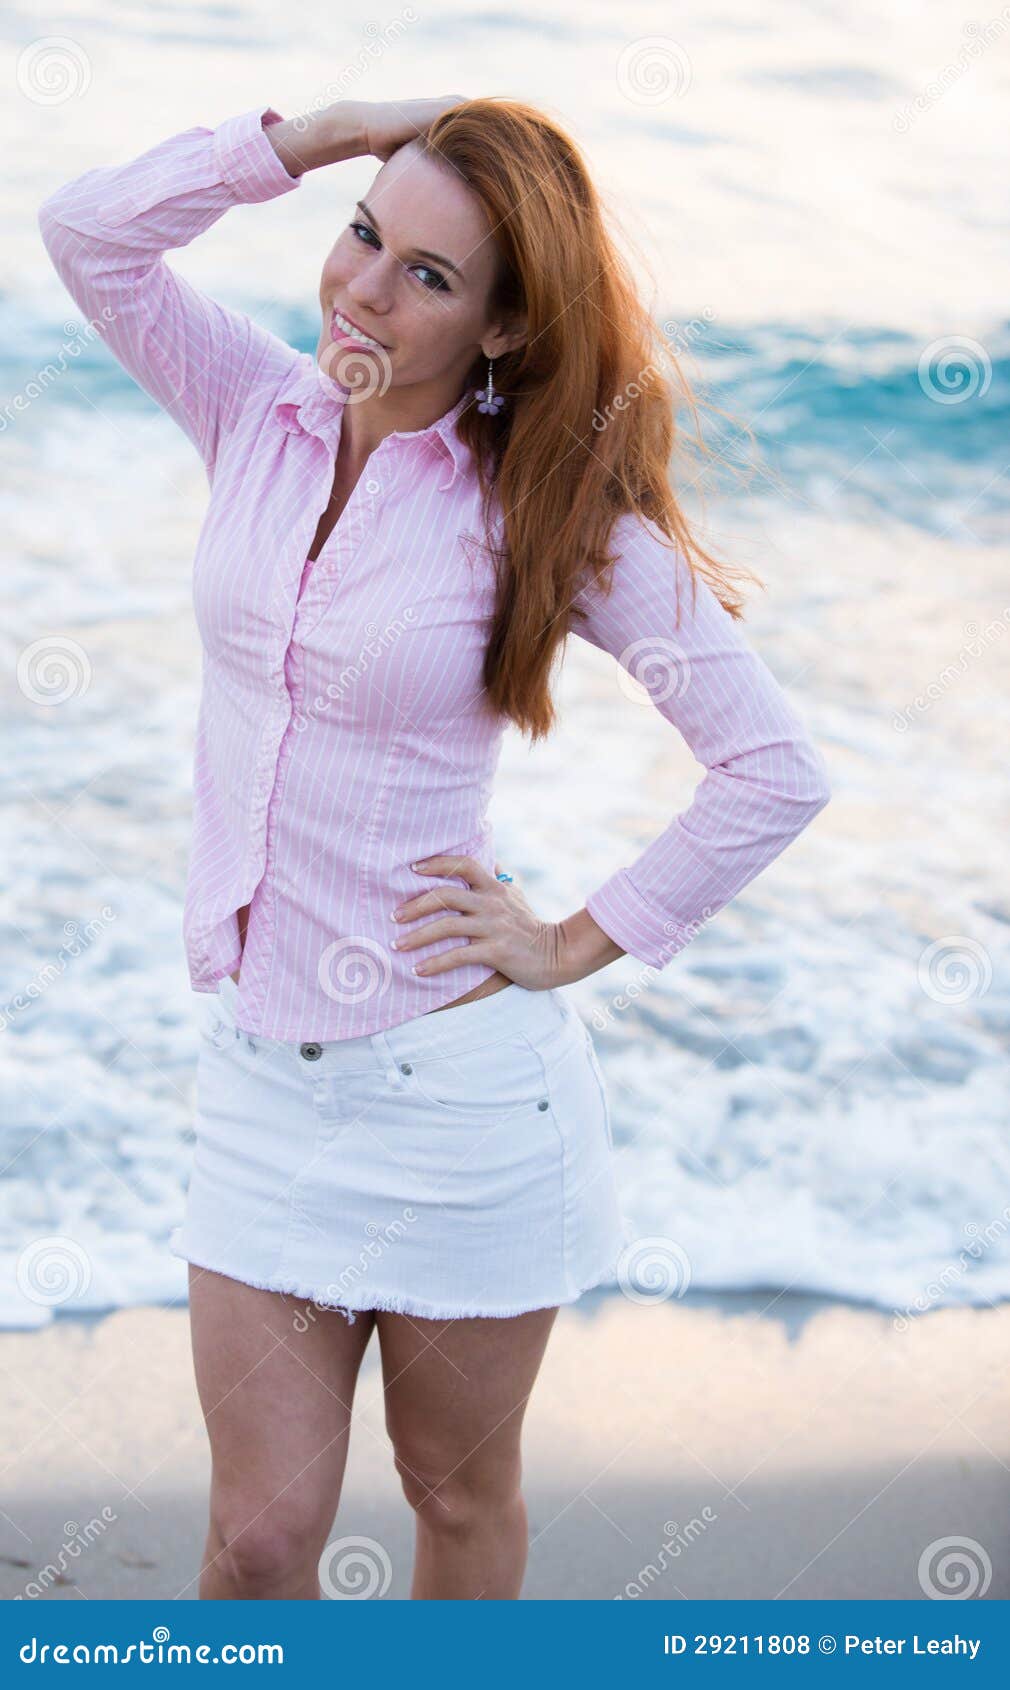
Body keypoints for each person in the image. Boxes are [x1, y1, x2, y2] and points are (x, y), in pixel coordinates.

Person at [37, 92, 831, 1600]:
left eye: (427, 276)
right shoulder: (251, 409)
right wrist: (327, 134)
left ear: (505, 331)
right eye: (361, 238)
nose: (359, 287)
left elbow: (770, 767)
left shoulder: (549, 511)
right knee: (256, 1538)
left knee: (455, 1509)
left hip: (458, 1101)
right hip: (263, 1076)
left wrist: (570, 938)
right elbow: (88, 233)